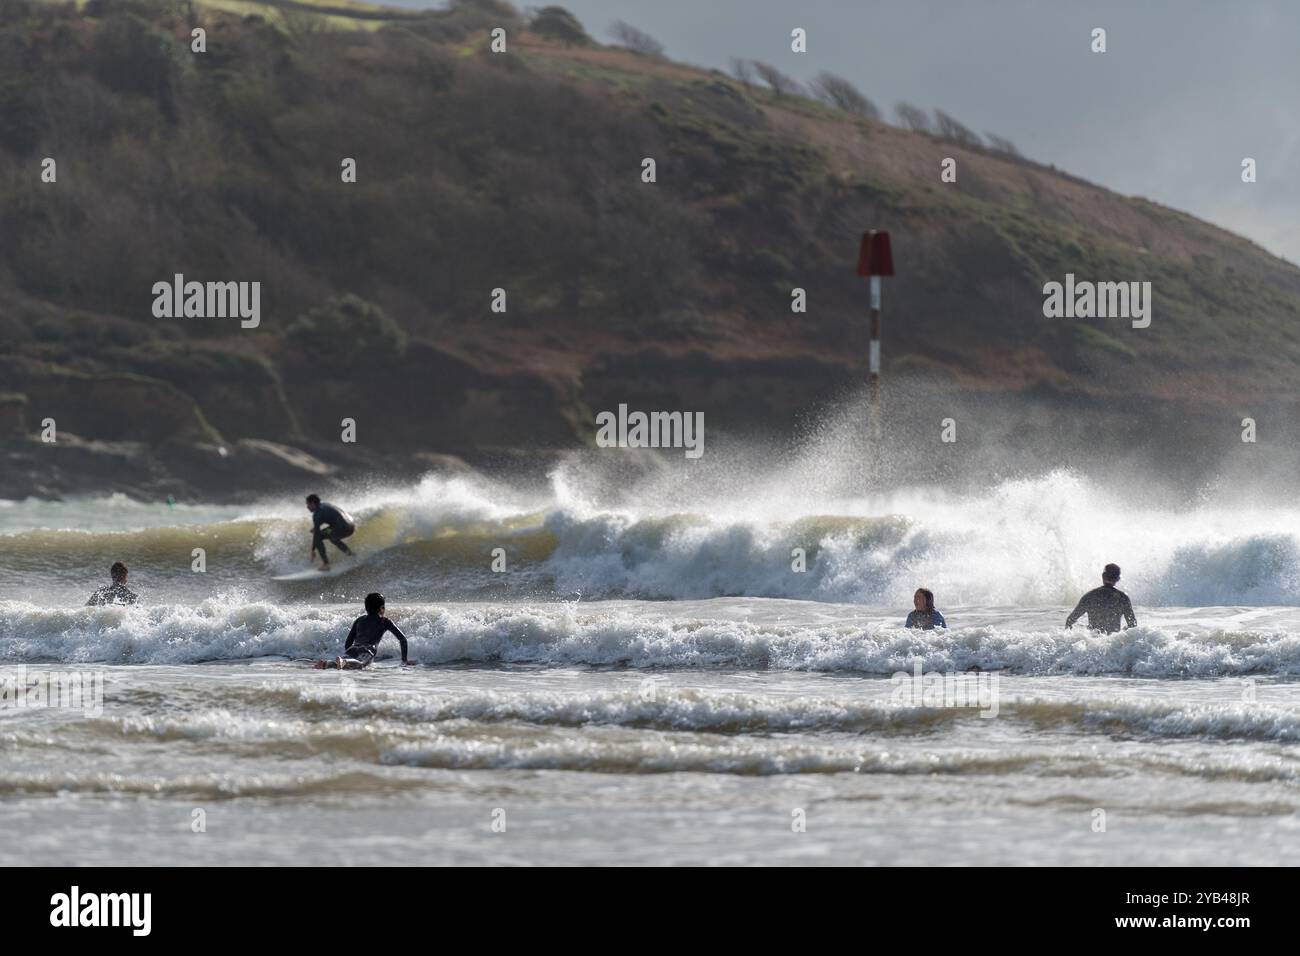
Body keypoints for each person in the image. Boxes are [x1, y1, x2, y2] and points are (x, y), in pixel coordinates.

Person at [314, 592, 415, 669]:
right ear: (382, 608)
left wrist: (349, 651)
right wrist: (404, 660)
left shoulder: (359, 620)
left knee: (343, 665)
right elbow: (402, 639)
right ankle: (344, 661)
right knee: (361, 665)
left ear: (366, 608)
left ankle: (327, 663)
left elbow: (348, 642)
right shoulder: (385, 621)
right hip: (368, 650)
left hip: (352, 649)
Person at [1066, 563, 1137, 634]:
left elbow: (1070, 620)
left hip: (1093, 642)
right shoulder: (1123, 598)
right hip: (1114, 642)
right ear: (1118, 579)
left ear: (1103, 576)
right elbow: (1133, 625)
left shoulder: (1090, 596)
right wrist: (1123, 632)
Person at [306, 493, 355, 571]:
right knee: (332, 537)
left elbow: (317, 535)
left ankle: (326, 564)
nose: (307, 507)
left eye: (308, 504)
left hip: (341, 529)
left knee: (319, 537)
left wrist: (313, 550)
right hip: (350, 526)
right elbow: (330, 516)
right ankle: (351, 555)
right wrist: (316, 527)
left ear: (312, 503)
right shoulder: (325, 504)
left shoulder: (317, 513)